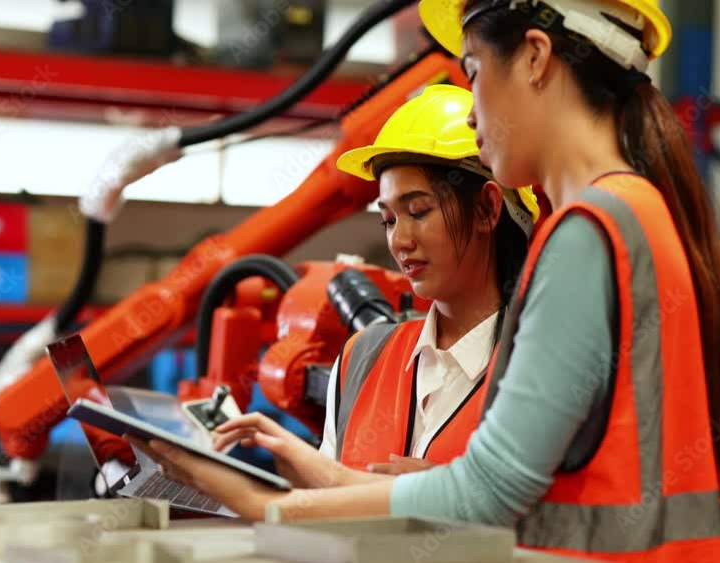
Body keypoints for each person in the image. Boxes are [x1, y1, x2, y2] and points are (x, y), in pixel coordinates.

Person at [130, 1, 720, 561]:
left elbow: (490, 491)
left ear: (535, 57)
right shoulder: (636, 215)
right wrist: (311, 475)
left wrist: (260, 501)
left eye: (472, 71)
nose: (473, 111)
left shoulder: (591, 231)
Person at [215, 84, 539, 480]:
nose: (399, 241)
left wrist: (445, 494)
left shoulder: (540, 366)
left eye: (418, 211)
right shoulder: (363, 356)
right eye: (388, 220)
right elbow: (328, 502)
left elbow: (560, 523)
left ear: (488, 209)